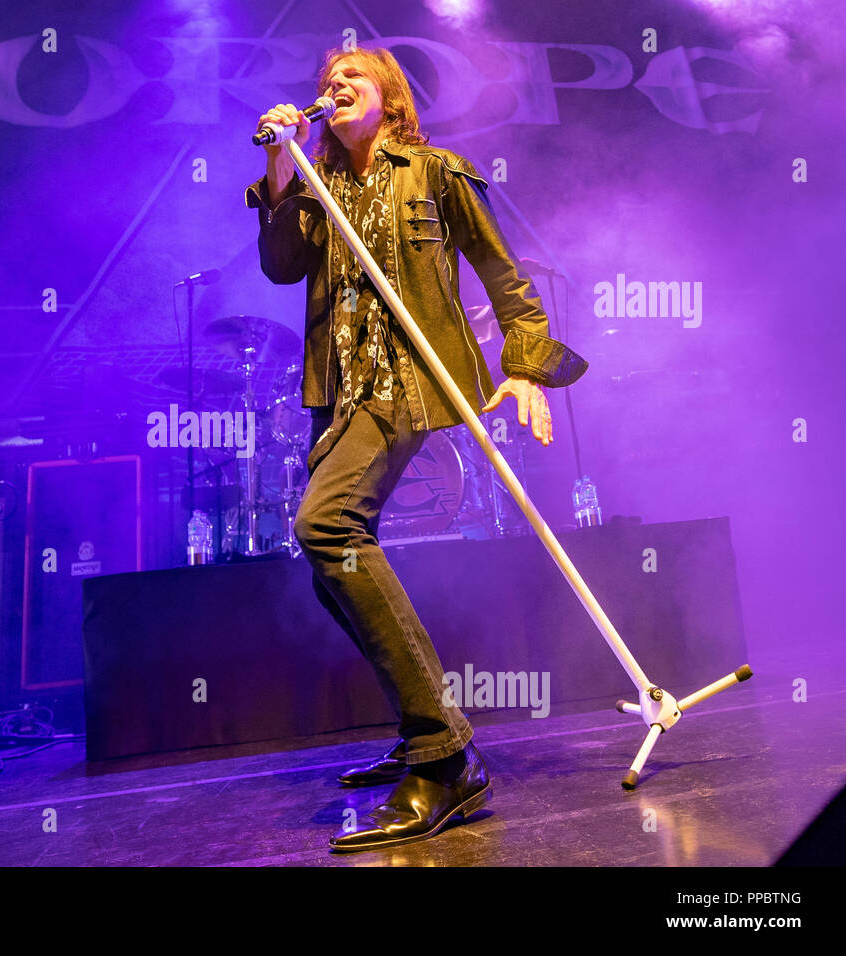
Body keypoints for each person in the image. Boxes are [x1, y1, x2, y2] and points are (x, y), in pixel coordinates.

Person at [245, 46, 588, 852]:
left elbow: (505, 275)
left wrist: (526, 368)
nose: (332, 88)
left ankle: (445, 755)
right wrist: (277, 160)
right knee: (329, 561)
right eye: (325, 81)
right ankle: (421, 727)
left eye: (350, 79)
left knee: (326, 526)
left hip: (405, 382)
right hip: (339, 394)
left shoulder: (434, 170)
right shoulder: (313, 181)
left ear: (390, 97)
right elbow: (280, 267)